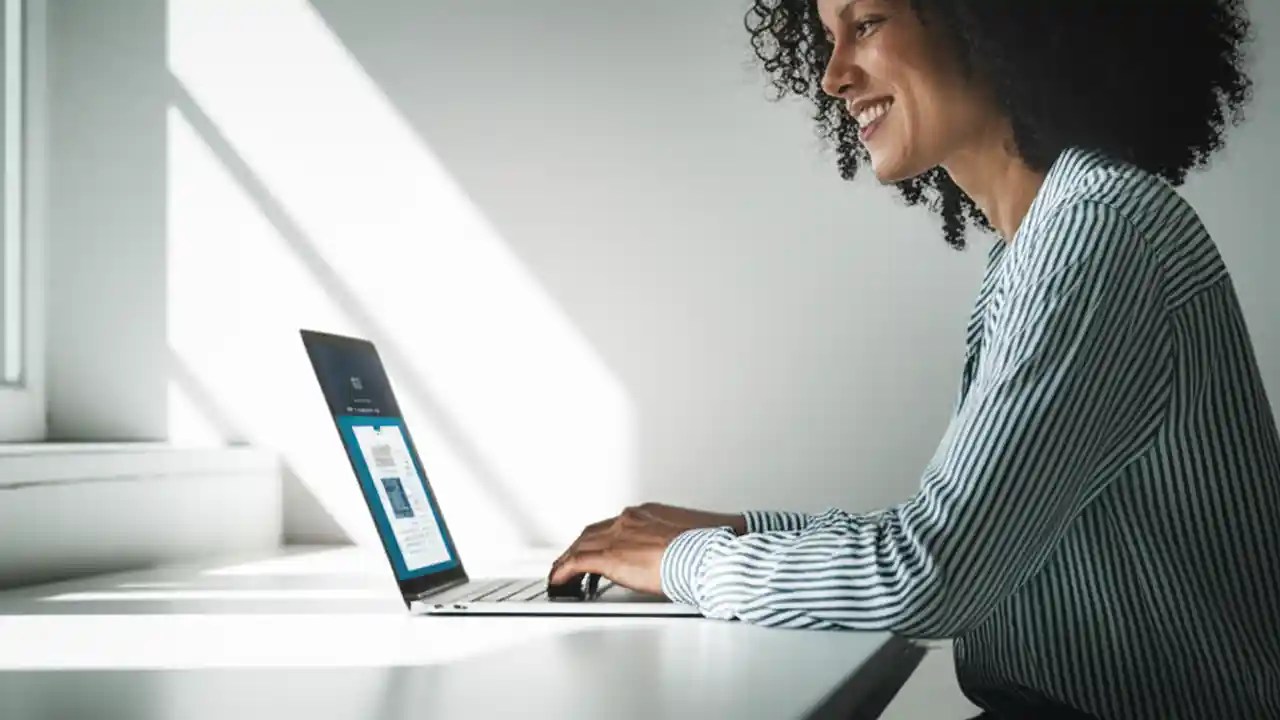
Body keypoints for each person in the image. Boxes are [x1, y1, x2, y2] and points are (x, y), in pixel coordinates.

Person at [548, 0, 1280, 717]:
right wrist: (745, 530)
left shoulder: (1095, 231)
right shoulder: (1040, 243)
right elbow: (953, 532)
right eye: (827, 37)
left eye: (865, 25)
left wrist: (685, 562)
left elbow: (927, 574)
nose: (833, 75)